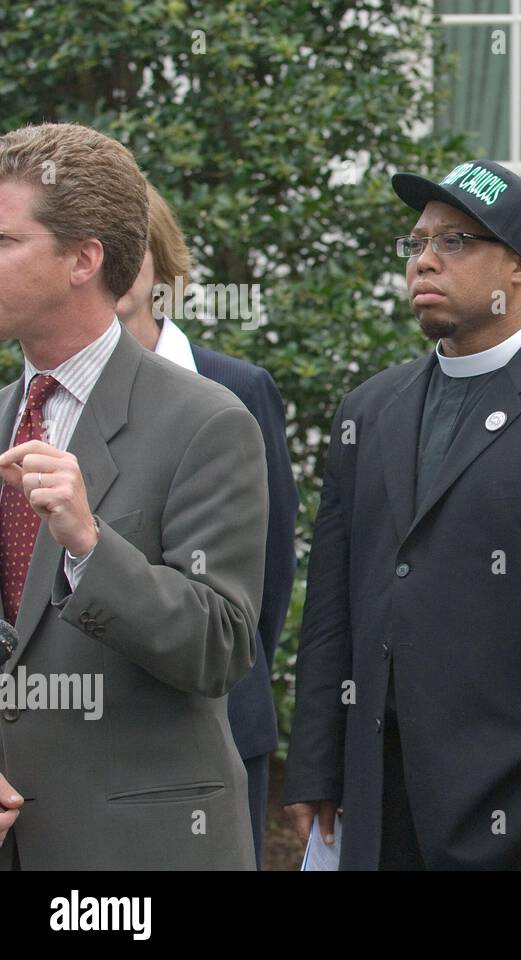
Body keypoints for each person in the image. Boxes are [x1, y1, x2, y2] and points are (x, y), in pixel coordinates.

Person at [283, 159, 521, 869]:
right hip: (383, 790)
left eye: (454, 242)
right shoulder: (370, 408)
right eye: (415, 245)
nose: (424, 262)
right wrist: (318, 765)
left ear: (518, 267)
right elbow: (333, 601)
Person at [0, 122, 266, 869]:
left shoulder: (208, 420)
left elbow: (220, 646)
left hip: (136, 853)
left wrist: (89, 544)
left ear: (83, 259)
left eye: (2, 242)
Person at [116, 183, 298, 868]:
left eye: (127, 252)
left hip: (221, 716)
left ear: (161, 266)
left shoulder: (236, 388)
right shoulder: (45, 390)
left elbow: (269, 573)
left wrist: (231, 668)